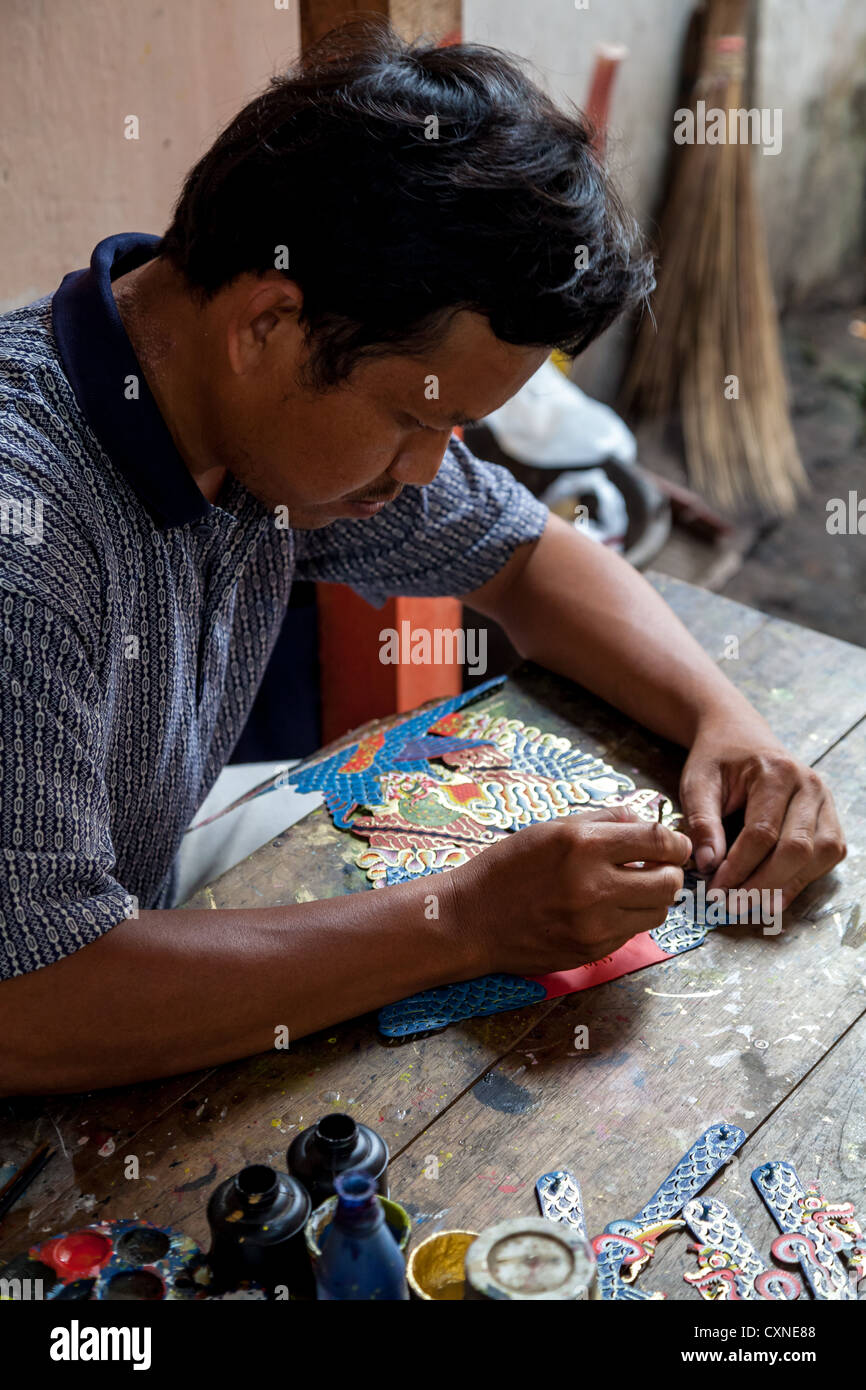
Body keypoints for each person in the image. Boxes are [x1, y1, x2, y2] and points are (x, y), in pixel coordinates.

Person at [0, 23, 844, 1093]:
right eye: (413, 418)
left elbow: (525, 555)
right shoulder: (26, 549)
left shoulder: (257, 426)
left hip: (131, 887)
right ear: (268, 323)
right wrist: (465, 922)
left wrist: (727, 727)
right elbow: (28, 1005)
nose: (426, 470)